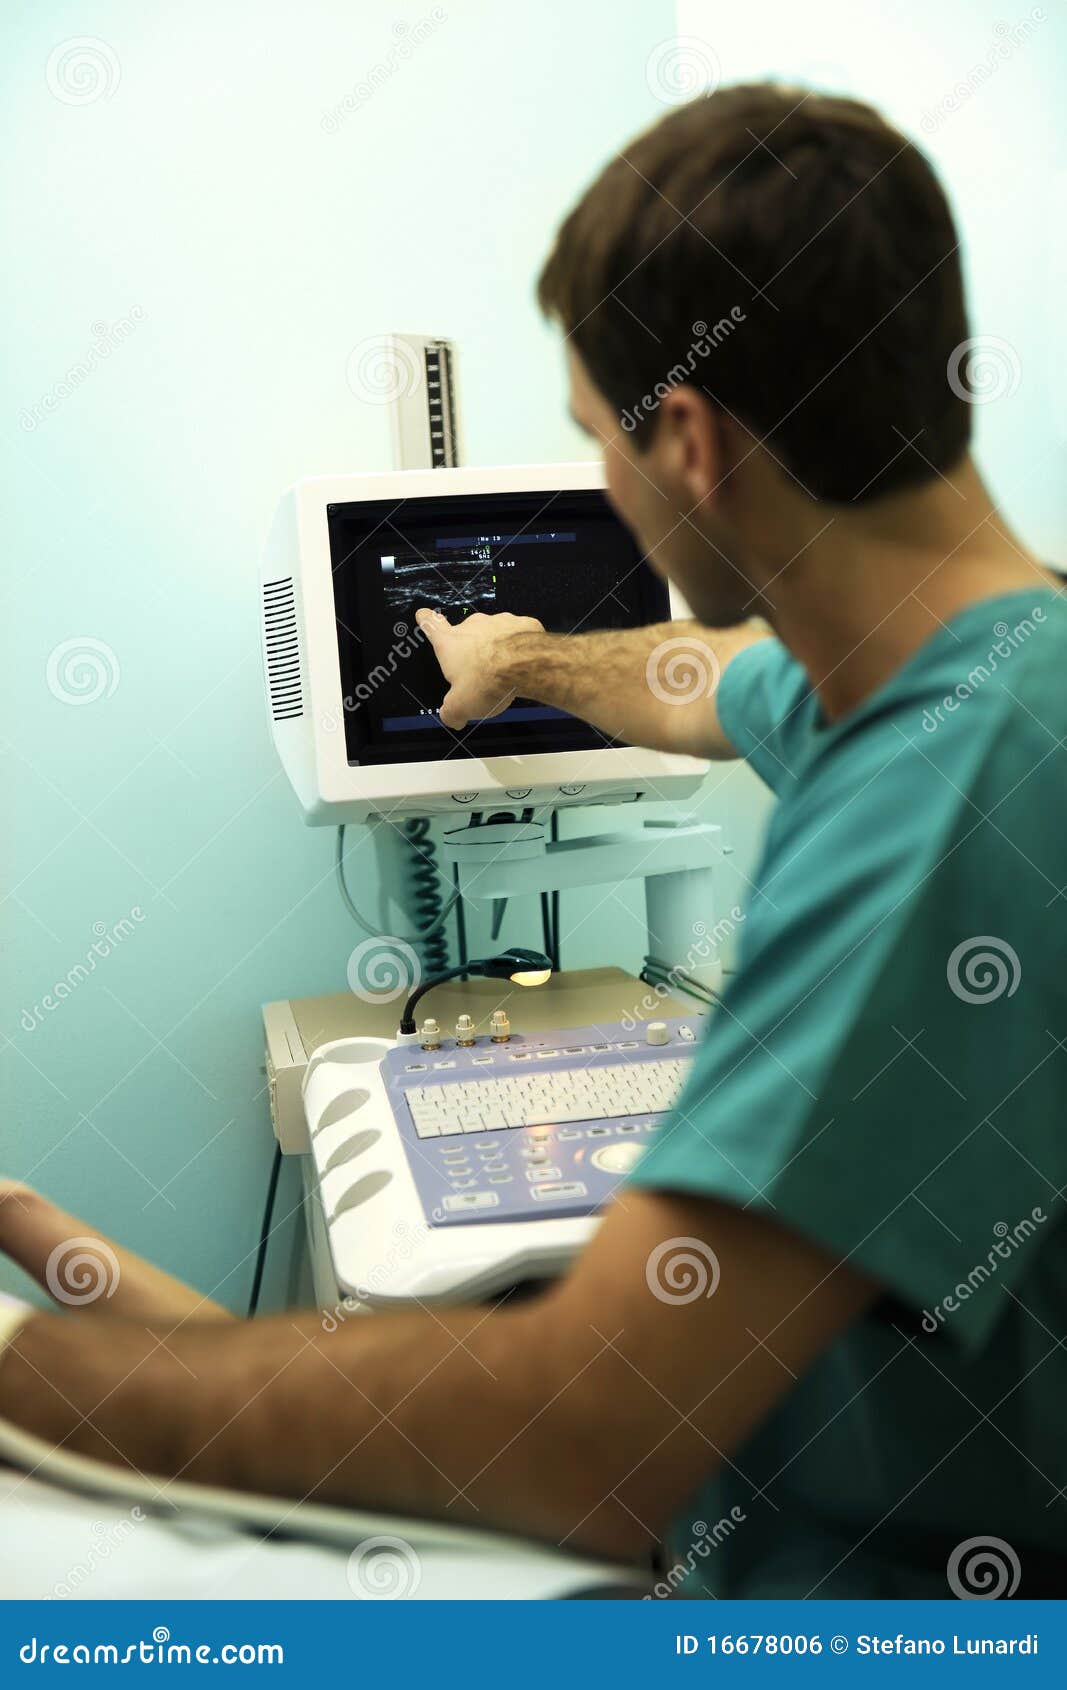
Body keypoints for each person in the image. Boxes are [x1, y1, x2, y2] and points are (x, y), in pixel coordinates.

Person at [2, 83, 1065, 1600]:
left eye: (596, 439)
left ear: (687, 438)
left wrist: (32, 1371)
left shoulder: (946, 789)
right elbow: (705, 683)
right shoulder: (961, 657)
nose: (605, 484)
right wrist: (523, 657)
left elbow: (583, 1436)